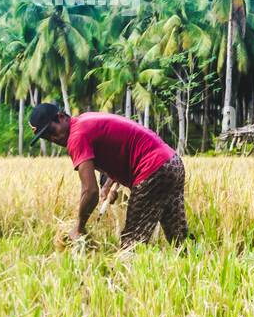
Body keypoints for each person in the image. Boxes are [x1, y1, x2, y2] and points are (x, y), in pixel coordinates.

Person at [29, 103, 188, 248]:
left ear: (61, 117)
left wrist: (78, 227)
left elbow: (90, 191)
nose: (54, 139)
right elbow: (122, 150)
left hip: (153, 169)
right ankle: (195, 264)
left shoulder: (76, 137)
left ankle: (124, 277)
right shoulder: (84, 121)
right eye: (47, 137)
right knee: (179, 236)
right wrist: (107, 186)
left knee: (131, 243)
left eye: (52, 131)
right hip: (172, 163)